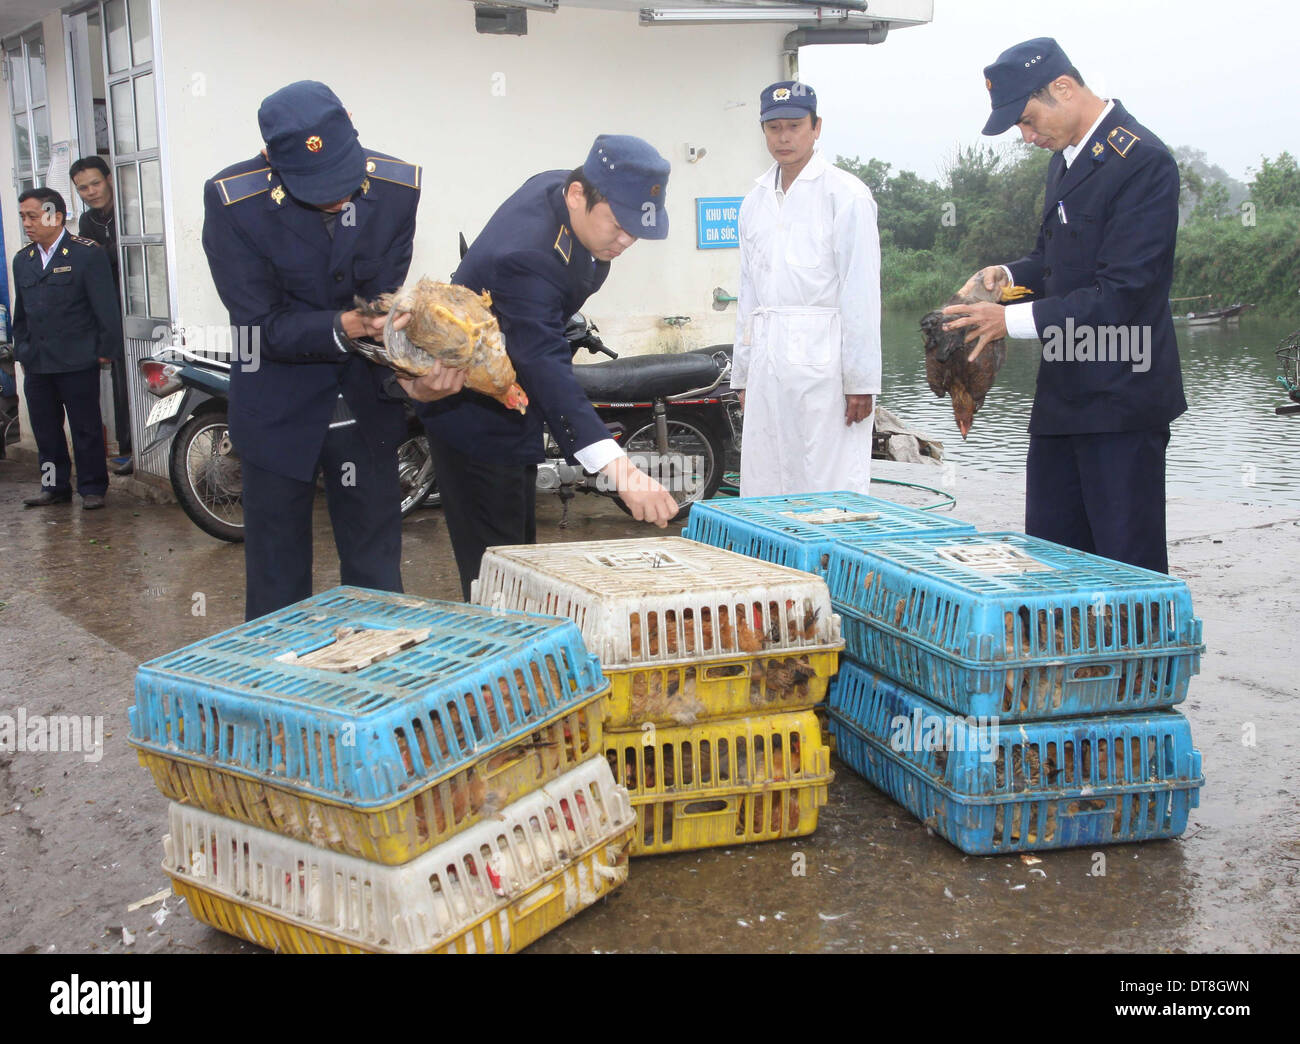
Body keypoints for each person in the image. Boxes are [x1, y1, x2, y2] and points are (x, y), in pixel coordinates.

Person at [201, 80, 452, 620]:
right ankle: (275, 691)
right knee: (276, 578)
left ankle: (379, 684)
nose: (339, 197)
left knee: (377, 573)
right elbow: (257, 326)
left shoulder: (398, 188)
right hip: (276, 407)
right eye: (317, 187)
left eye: (344, 178)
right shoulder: (234, 203)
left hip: (363, 403)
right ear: (270, 158)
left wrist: (412, 359)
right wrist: (348, 323)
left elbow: (385, 303)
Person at [942, 38, 1186, 574]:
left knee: (1127, 564)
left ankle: (1135, 659)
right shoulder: (1065, 160)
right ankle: (1069, 659)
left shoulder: (1142, 163)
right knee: (1052, 557)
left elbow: (1122, 292)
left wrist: (1006, 319)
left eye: (1028, 121)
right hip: (1063, 393)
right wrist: (1008, 277)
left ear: (1064, 88)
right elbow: (1051, 262)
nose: (1027, 137)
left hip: (1123, 393)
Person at [410, 134, 679, 599]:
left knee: (519, 556)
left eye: (637, 230)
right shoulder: (527, 256)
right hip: (474, 412)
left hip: (515, 396)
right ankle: (495, 658)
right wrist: (622, 472)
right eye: (617, 225)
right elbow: (544, 364)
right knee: (496, 572)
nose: (625, 241)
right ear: (578, 195)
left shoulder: (565, 192)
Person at [732, 80, 881, 497]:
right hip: (767, 361)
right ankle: (771, 561)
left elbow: (862, 291)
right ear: (763, 131)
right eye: (774, 127)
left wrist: (861, 381)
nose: (784, 137)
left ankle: (829, 561)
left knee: (827, 480)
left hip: (826, 365)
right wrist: (742, 373)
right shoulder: (753, 202)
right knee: (765, 475)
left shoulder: (846, 195)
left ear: (816, 128)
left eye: (794, 125)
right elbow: (748, 293)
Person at [11, 187, 122, 510]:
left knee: (85, 427)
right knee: (45, 430)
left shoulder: (86, 254)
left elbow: (105, 307)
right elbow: (22, 313)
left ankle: (92, 487)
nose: (27, 224)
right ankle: (53, 485)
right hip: (37, 361)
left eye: (33, 216)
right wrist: (22, 350)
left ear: (56, 216)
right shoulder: (24, 260)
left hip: (77, 358)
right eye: (23, 217)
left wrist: (105, 349)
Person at [70, 155, 132, 475]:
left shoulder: (130, 209)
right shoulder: (87, 221)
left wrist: (106, 256)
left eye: (95, 183)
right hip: (110, 308)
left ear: (109, 178)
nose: (91, 192)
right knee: (120, 381)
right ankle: (127, 447)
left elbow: (128, 257)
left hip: (141, 301)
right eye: (83, 188)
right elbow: (95, 265)